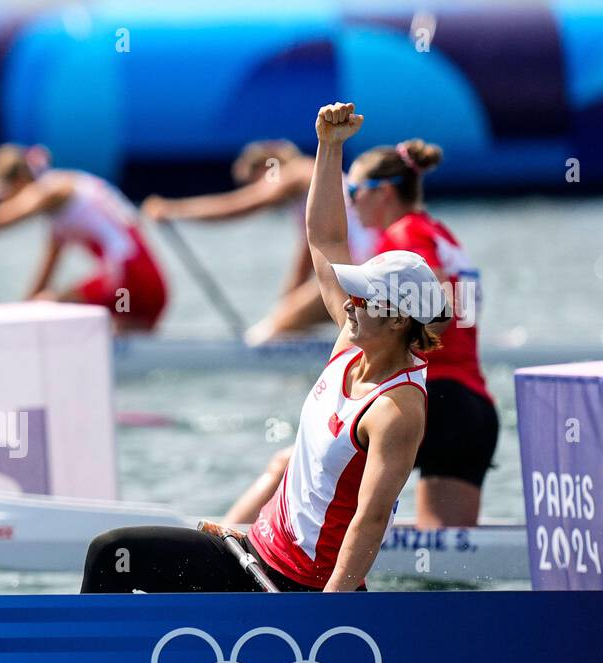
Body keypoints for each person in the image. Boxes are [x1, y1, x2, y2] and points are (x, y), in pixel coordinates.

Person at [82, 102, 444, 594]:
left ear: (399, 317)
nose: (349, 302)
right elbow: (325, 238)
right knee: (113, 553)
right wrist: (329, 147)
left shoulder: (397, 409)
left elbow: (372, 518)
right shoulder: (352, 337)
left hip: (300, 587)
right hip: (254, 553)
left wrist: (328, 616)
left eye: (364, 296)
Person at [223, 135, 494, 528]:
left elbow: (437, 302)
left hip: (424, 398)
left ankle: (224, 543)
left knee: (288, 465)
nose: (350, 201)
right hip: (473, 410)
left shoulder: (403, 237)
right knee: (445, 563)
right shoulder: (441, 232)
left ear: (382, 193)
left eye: (353, 191)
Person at [0, 144, 168, 331]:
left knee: (49, 306)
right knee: (43, 306)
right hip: (147, 286)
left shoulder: (53, 189)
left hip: (130, 280)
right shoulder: (61, 212)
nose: (2, 202)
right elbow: (47, 269)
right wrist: (22, 314)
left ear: (21, 179)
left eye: (2, 194)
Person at [143, 140, 377, 344]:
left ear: (267, 166)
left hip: (355, 270)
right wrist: (285, 309)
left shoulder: (298, 172)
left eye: (253, 182)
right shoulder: (314, 201)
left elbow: (236, 207)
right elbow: (305, 261)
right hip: (364, 271)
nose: (257, 189)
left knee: (269, 334)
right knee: (285, 321)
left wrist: (172, 210)